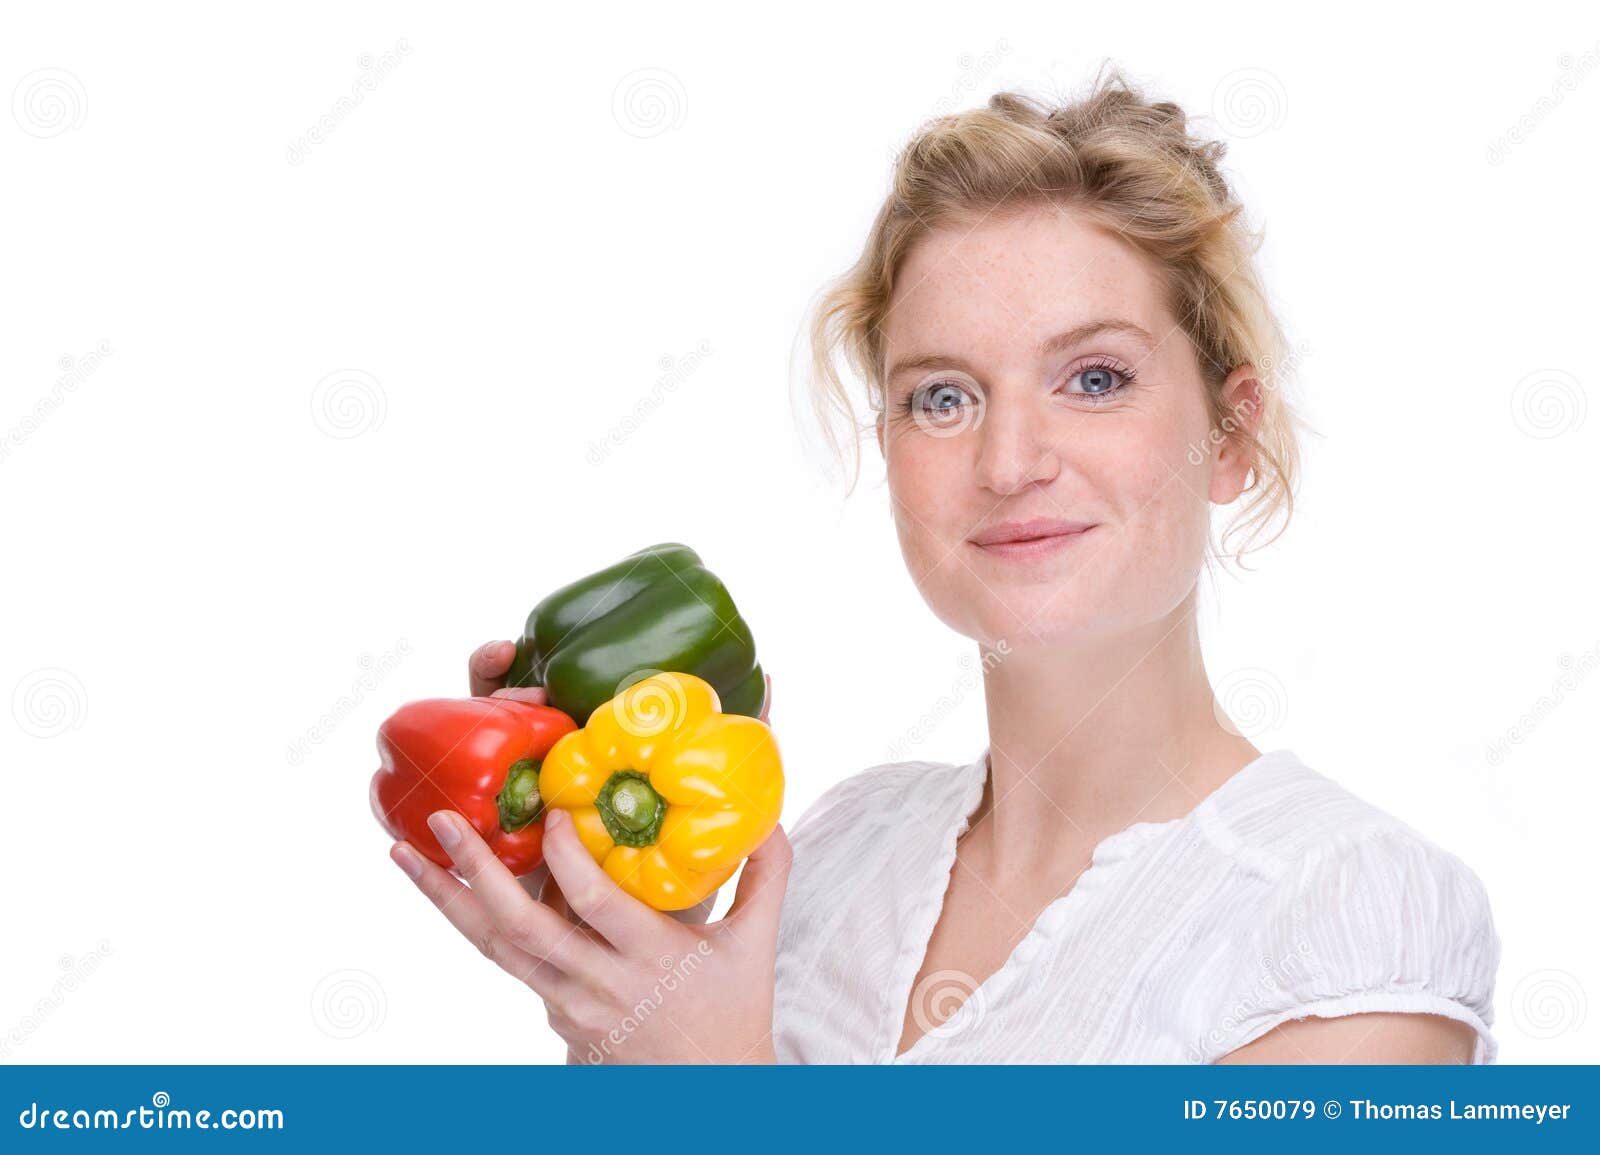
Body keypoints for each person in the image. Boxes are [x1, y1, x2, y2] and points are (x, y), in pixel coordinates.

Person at [386, 70, 1500, 1064]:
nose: (1009, 462)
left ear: (1233, 434)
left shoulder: (1346, 912)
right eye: (943, 397)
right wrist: (627, 965)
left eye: (1095, 378)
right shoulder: (838, 851)